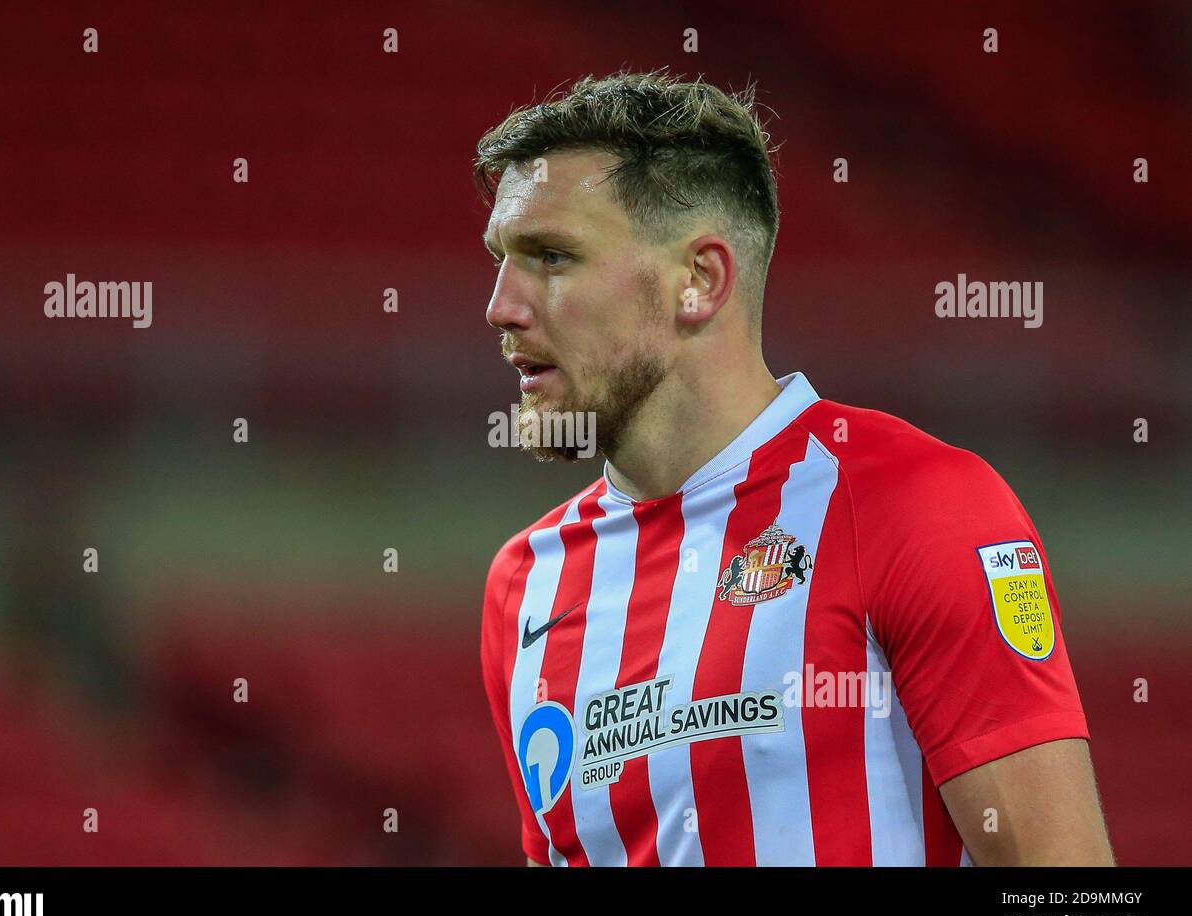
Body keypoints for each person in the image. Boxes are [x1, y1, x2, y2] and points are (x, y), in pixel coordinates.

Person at [476, 69, 1112, 866]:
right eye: (503, 258)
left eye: (552, 257)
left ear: (700, 281)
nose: (502, 306)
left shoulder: (913, 504)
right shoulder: (524, 586)